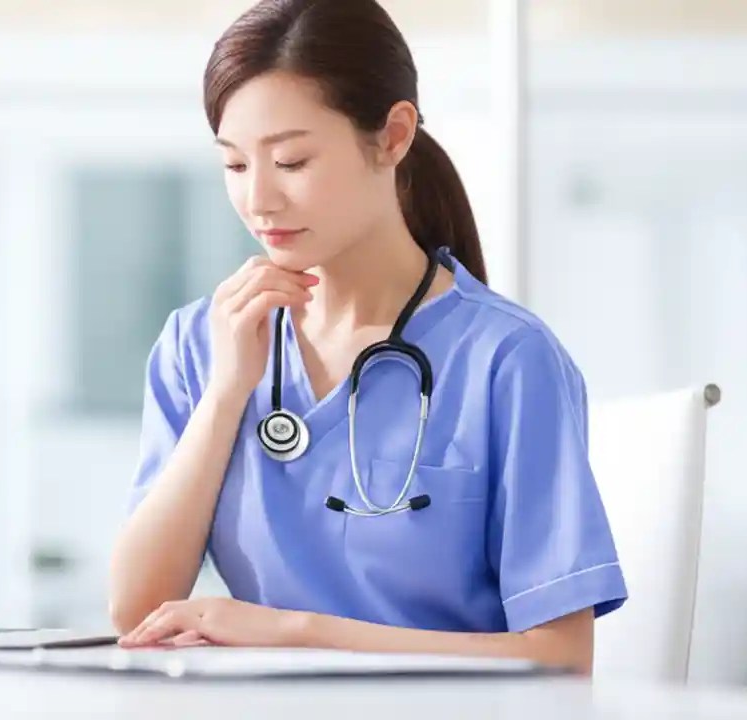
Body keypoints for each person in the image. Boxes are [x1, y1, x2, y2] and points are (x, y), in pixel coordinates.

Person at [106, 0, 626, 675]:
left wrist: (292, 632)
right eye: (235, 166)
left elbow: (560, 656)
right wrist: (226, 391)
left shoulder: (506, 360)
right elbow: (137, 612)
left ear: (393, 136)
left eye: (291, 162)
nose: (258, 199)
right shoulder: (199, 344)